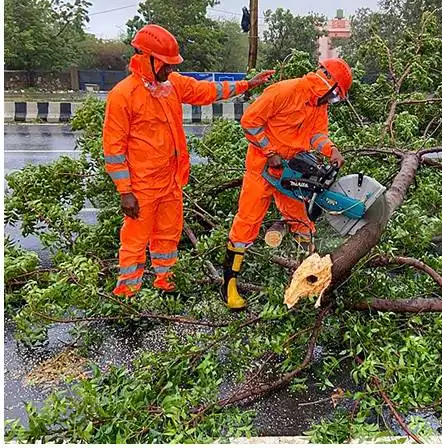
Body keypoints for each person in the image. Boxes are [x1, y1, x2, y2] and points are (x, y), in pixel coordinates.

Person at [104, 25, 274, 298]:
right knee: (134, 242)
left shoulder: (171, 86)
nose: (170, 70)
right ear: (147, 58)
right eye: (167, 65)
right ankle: (128, 295)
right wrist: (125, 192)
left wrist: (248, 84)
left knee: (168, 236)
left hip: (171, 181)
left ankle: (165, 284)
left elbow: (207, 90)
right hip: (141, 187)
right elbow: (113, 149)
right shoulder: (124, 95)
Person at [223, 58, 351, 310]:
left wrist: (331, 150)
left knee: (302, 223)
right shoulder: (285, 91)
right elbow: (250, 121)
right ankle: (229, 286)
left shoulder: (318, 105)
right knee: (246, 223)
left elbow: (317, 135)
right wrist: (269, 151)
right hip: (262, 169)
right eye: (334, 94)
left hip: (291, 170)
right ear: (327, 82)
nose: (331, 100)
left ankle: (309, 279)